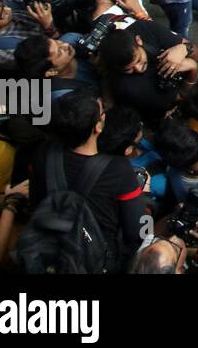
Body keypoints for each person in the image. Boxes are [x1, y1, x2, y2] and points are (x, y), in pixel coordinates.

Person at [29, 91, 151, 272]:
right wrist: (144, 198)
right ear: (98, 127)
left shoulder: (43, 152)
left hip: (51, 246)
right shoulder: (119, 168)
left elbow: (36, 201)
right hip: (95, 258)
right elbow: (138, 232)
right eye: (103, 114)